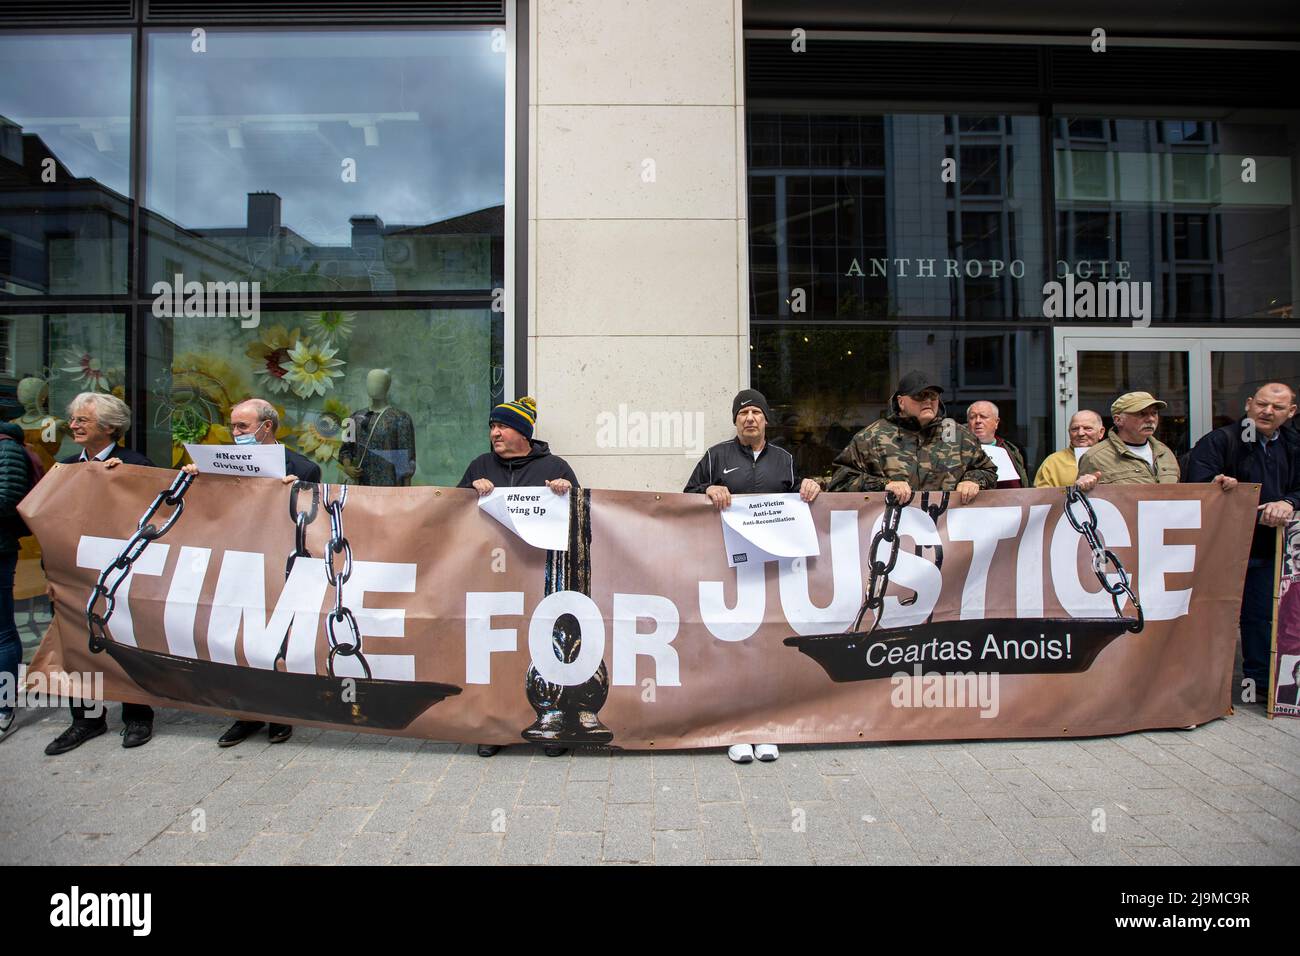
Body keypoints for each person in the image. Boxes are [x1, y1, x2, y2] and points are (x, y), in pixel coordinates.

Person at [684, 388, 820, 765]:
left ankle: (767, 727)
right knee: (732, 646)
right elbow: (686, 497)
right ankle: (736, 730)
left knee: (771, 648)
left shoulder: (785, 459)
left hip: (775, 572)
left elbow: (802, 495)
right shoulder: (716, 457)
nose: (749, 418)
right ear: (735, 421)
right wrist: (708, 489)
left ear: (765, 419)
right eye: (742, 413)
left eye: (756, 412)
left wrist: (811, 486)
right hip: (729, 569)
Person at [182, 398, 319, 748]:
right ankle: (246, 714)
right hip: (233, 563)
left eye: (242, 426)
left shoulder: (303, 468)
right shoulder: (218, 462)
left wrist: (293, 494)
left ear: (266, 427)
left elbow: (310, 522)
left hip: (276, 566)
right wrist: (195, 479)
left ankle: (280, 714)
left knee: (275, 638)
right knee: (236, 638)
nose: (235, 432)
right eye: (233, 426)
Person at [459, 396, 576, 758]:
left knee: (544, 648)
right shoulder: (480, 465)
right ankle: (497, 727)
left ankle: (551, 725)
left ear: (523, 433)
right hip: (492, 577)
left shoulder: (555, 466)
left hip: (539, 575)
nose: (494, 433)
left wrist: (566, 492)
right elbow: (451, 512)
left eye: (502, 426)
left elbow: (580, 516)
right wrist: (468, 493)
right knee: (498, 651)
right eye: (492, 427)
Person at [44, 393, 157, 756]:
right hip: (74, 573)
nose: (73, 425)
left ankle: (137, 716)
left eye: (83, 420)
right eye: (73, 419)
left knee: (126, 641)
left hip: (120, 573)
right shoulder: (64, 468)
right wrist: (50, 574)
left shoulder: (136, 464)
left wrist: (120, 482)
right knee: (78, 644)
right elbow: (49, 523)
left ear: (109, 427)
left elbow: (151, 521)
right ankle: (87, 719)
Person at [1185, 382, 1300, 703]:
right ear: (1249, 404)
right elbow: (1194, 486)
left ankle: (1259, 684)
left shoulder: (1293, 444)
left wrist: (1289, 502)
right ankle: (1200, 689)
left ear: (1291, 412)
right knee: (1209, 616)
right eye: (1262, 404)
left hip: (1268, 550)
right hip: (1220, 549)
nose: (1268, 411)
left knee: (1262, 617)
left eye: (1277, 408)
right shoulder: (1220, 441)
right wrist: (1217, 486)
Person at [827, 370, 997, 503]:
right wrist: (884, 485)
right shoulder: (872, 437)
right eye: (919, 395)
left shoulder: (958, 435)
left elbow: (988, 471)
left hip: (946, 532)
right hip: (892, 530)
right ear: (901, 402)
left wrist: (973, 480)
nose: (928, 401)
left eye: (933, 396)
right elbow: (840, 480)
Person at [0, 422, 34, 741]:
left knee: (2, 631)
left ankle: (3, 706)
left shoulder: (7, 447)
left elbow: (7, 498)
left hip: (0, 549)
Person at [1075, 392, 1180, 489]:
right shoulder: (1096, 457)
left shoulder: (1165, 452)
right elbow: (1083, 498)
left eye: (1154, 413)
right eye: (1142, 414)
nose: (1151, 419)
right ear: (1118, 420)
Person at [965, 400, 1028, 488]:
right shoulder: (956, 450)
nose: (978, 421)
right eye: (972, 417)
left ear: (996, 422)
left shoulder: (1012, 449)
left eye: (983, 416)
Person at [1034, 410, 1105, 487]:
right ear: (1069, 432)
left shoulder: (1111, 458)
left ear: (1101, 432)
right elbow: (1042, 493)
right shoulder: (1052, 462)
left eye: (1087, 428)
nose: (1080, 433)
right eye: (1075, 429)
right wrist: (1074, 489)